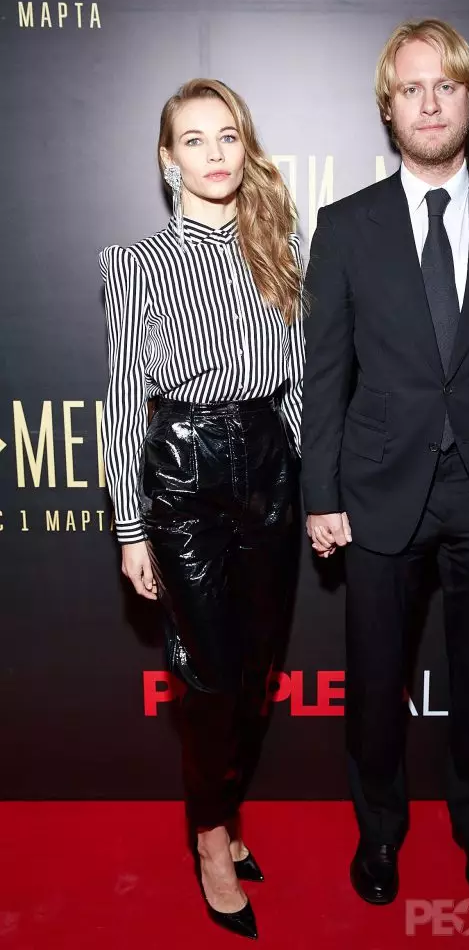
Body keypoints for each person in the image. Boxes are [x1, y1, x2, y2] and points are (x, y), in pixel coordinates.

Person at [301, 19, 469, 905]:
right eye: (410, 88)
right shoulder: (345, 227)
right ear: (387, 106)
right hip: (376, 492)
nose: (427, 103)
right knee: (374, 682)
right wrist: (321, 493)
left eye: (443, 87)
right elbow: (325, 373)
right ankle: (379, 837)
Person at [100, 78, 304, 940]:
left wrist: (312, 487)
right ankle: (211, 841)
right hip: (183, 475)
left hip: (271, 470)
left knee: (255, 674)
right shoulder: (135, 263)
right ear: (166, 158)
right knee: (211, 677)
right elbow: (118, 401)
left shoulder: (279, 245)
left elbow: (295, 383)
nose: (215, 154)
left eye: (228, 137)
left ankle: (227, 810)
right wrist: (131, 526)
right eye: (195, 140)